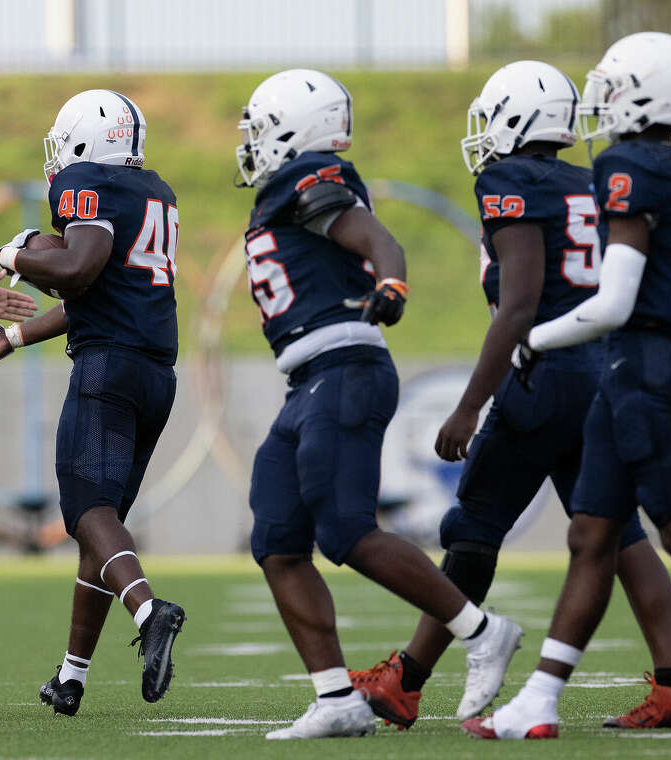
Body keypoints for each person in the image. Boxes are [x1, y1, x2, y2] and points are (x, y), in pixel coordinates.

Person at [350, 60, 671, 731]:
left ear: (513, 118)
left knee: (473, 526)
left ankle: (405, 681)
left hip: (547, 372)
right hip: (604, 370)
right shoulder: (592, 180)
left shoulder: (509, 179)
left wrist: (471, 402)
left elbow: (519, 303)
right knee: (618, 534)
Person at [230, 69, 521, 740]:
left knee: (345, 530)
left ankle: (482, 631)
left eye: (260, 127)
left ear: (290, 130)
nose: (251, 142)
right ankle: (334, 697)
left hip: (345, 366)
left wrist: (392, 280)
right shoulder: (284, 190)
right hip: (306, 381)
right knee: (278, 538)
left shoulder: (307, 177)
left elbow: (375, 236)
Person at [464, 32, 671, 740]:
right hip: (659, 362)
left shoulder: (631, 162)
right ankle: (540, 700)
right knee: (590, 535)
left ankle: (552, 698)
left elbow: (615, 299)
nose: (599, 99)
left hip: (643, 366)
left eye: (615, 84)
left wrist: (533, 340)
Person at [0, 90, 185, 716]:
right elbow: (93, 290)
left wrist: (15, 256)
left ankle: (150, 610)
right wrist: (7, 339)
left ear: (84, 138)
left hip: (108, 368)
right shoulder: (153, 191)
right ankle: (71, 676)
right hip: (155, 373)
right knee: (101, 533)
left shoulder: (84, 181)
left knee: (85, 510)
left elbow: (80, 268)